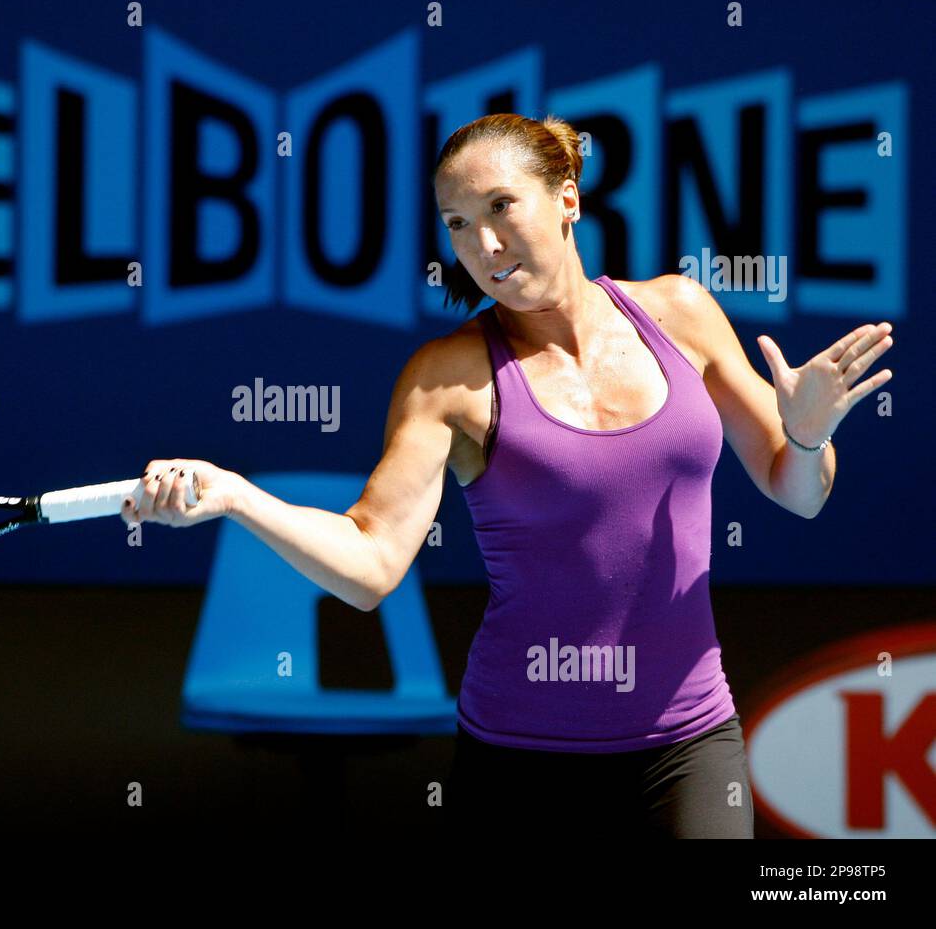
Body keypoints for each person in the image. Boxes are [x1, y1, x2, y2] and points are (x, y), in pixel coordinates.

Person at [119, 112, 896, 837]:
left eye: (501, 207)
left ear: (567, 200)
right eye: (458, 224)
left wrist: (805, 430)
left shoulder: (682, 313)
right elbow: (371, 564)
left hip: (688, 743)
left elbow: (801, 490)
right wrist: (237, 496)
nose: (483, 244)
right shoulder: (448, 378)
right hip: (521, 757)